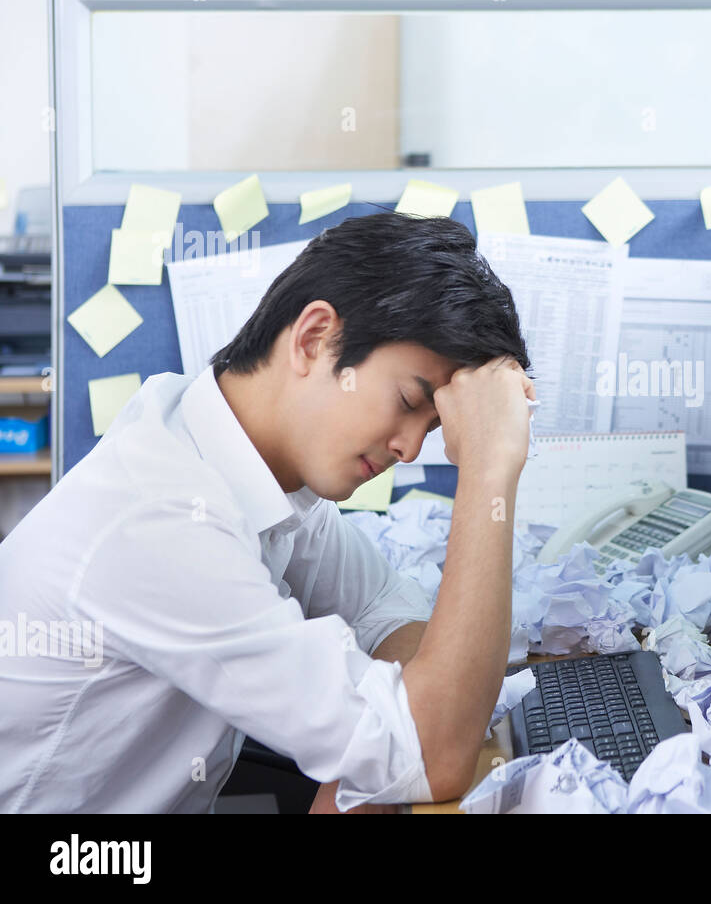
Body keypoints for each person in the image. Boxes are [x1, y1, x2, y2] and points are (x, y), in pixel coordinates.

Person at [0, 212, 535, 813]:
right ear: (313, 338)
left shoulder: (237, 456)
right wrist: (489, 468)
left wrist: (389, 746)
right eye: (408, 402)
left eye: (432, 426)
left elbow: (390, 612)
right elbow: (432, 754)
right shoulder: (165, 519)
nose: (411, 449)